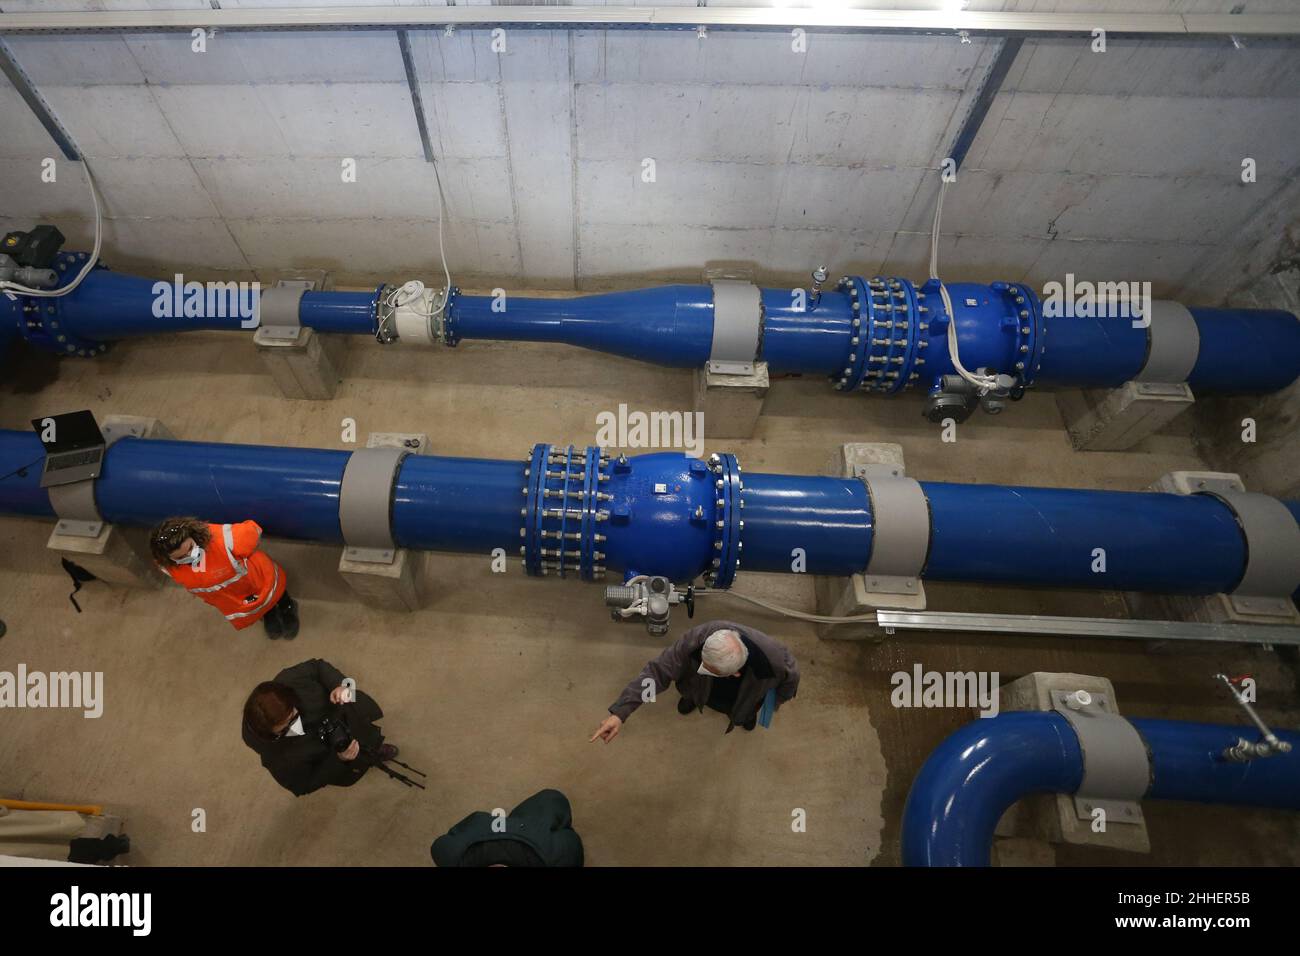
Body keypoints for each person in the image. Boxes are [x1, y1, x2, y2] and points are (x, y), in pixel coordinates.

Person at [591, 620, 799, 743]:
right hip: (700, 689)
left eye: (710, 671)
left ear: (734, 674)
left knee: (743, 712)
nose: (700, 669)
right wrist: (620, 713)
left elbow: (788, 687)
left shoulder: (776, 661)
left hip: (744, 696)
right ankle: (693, 697)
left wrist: (764, 707)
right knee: (692, 689)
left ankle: (742, 715)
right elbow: (658, 672)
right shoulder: (698, 638)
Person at [240, 658, 399, 797]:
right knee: (358, 759)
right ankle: (368, 758)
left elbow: (317, 667)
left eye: (294, 717)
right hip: (331, 754)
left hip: (343, 716)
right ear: (269, 734)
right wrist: (339, 760)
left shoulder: (289, 679)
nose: (295, 726)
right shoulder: (276, 759)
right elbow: (304, 785)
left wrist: (339, 685)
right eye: (284, 730)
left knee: (366, 735)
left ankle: (375, 749)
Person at [149, 516, 298, 639]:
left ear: (193, 536)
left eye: (190, 548)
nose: (189, 556)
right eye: (180, 557)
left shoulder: (225, 540)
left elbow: (252, 530)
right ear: (167, 558)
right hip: (235, 596)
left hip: (257, 580)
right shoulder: (166, 566)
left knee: (275, 593)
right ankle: (269, 614)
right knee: (260, 606)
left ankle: (287, 606)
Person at [430, 789, 584, 867]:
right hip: (529, 827)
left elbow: (571, 842)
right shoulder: (451, 856)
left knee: (552, 800)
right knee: (551, 799)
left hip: (536, 828)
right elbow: (442, 845)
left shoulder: (557, 857)